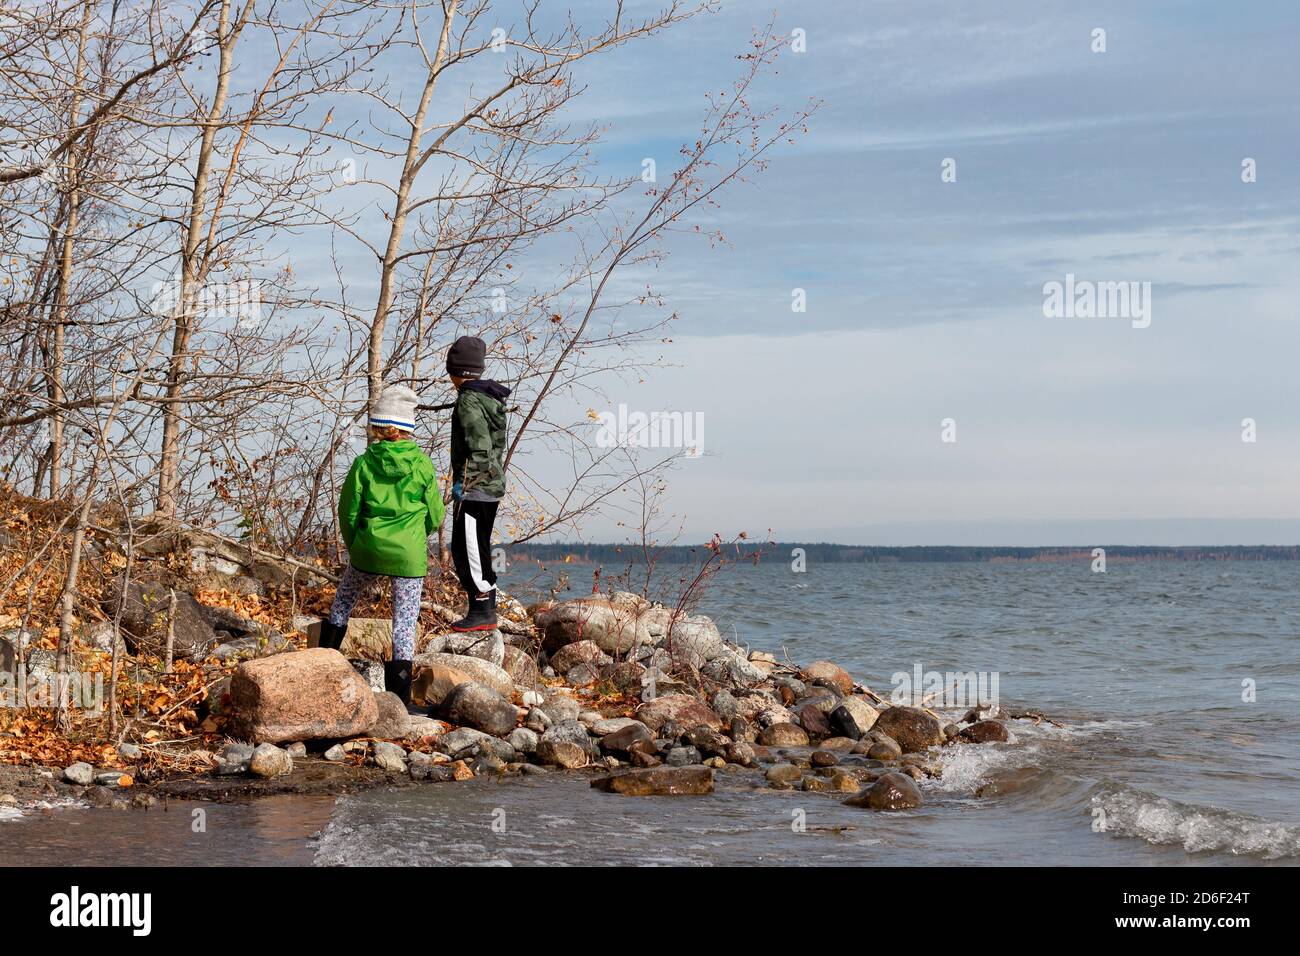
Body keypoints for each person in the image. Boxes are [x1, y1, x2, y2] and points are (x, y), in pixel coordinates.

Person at [319, 384, 445, 708]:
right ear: (407, 429)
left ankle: (320, 669)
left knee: (343, 601)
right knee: (403, 623)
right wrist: (416, 537)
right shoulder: (422, 465)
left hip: (368, 549)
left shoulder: (363, 463)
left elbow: (347, 511)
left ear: (377, 426)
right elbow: (436, 514)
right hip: (409, 555)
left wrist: (357, 545)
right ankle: (399, 705)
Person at [446, 335, 510, 631]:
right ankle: (483, 606)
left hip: (477, 488)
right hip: (489, 486)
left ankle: (483, 609)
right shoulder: (487, 397)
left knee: (467, 547)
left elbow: (480, 447)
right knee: (476, 544)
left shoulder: (470, 400)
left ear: (454, 369)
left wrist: (465, 483)